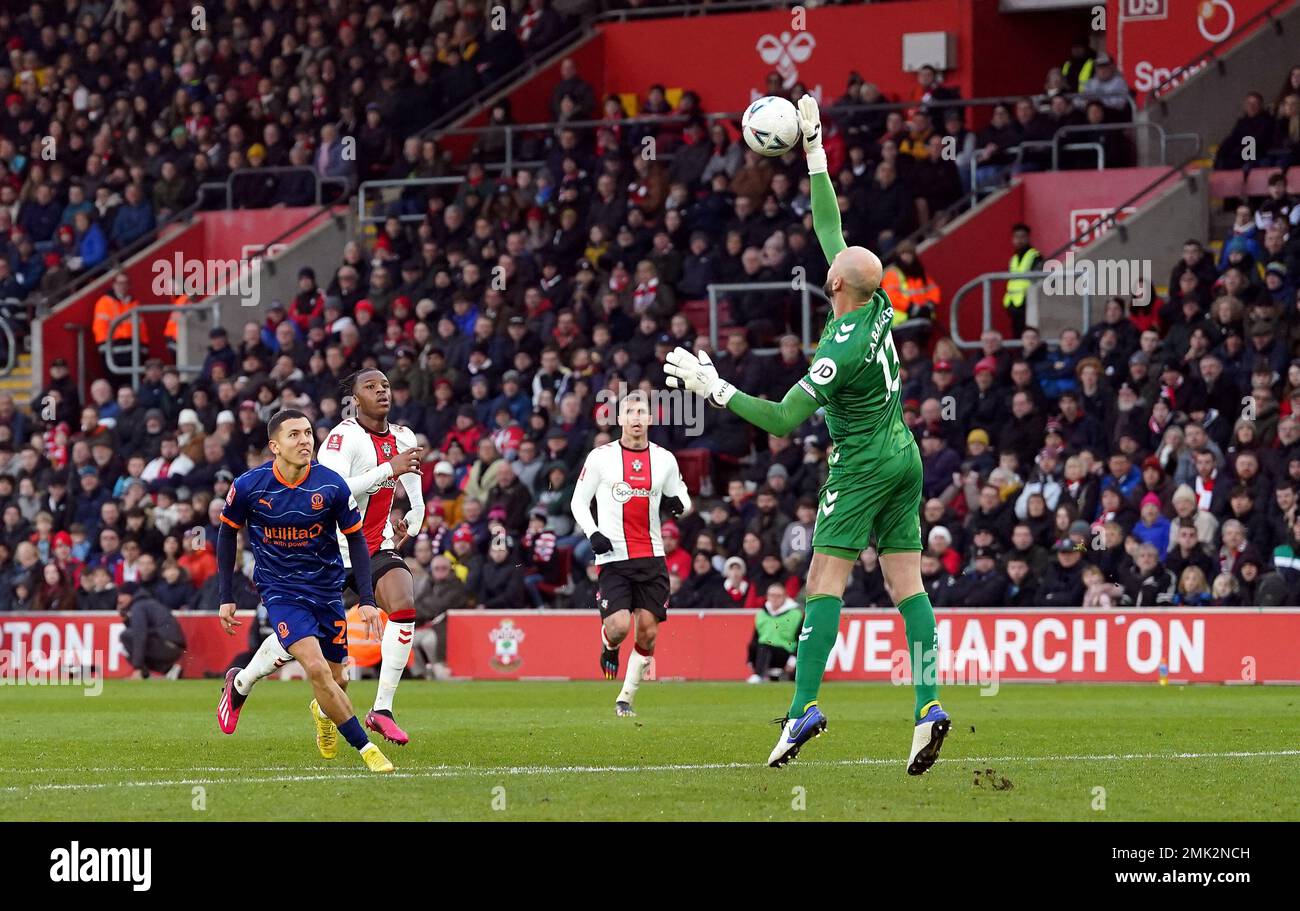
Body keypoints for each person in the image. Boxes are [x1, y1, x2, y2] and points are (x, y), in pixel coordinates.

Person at [664, 95, 948, 776]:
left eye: (835, 260)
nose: (831, 254)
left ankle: (804, 706)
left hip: (862, 464)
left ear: (834, 284)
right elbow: (833, 229)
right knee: (907, 582)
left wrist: (717, 389)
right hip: (904, 453)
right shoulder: (876, 300)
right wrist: (815, 149)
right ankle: (929, 706)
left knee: (825, 577)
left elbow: (786, 420)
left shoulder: (840, 348)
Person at [214, 409, 394, 774]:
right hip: (279, 589)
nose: (305, 441)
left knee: (336, 678)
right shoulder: (249, 486)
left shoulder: (331, 485)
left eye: (308, 433)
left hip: (325, 589)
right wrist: (225, 594)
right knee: (315, 668)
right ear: (274, 446)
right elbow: (226, 533)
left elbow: (357, 540)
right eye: (294, 435)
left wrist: (368, 600)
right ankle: (367, 750)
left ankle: (248, 685)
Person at [311, 369, 426, 744]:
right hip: (329, 549)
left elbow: (417, 500)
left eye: (386, 386)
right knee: (299, 650)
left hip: (374, 547)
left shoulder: (404, 437)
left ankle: (382, 709)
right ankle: (243, 681)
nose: (381, 391)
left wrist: (410, 523)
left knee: (404, 604)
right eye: (371, 387)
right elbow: (333, 489)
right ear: (355, 399)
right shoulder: (343, 437)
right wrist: (386, 470)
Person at [570, 391, 690, 718]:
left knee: (648, 631)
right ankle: (609, 646)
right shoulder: (600, 457)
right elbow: (578, 502)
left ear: (650, 419)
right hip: (614, 559)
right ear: (619, 419)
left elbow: (682, 495)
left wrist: (680, 505)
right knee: (620, 627)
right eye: (629, 412)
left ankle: (626, 697)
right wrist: (593, 532)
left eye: (642, 412)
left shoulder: (664, 459)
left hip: (652, 558)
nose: (636, 418)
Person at [117, 581, 187, 678]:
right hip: (173, 646)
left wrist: (137, 668)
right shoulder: (146, 603)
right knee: (130, 640)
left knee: (126, 636)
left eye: (122, 595)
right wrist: (127, 621)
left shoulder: (138, 606)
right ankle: (170, 670)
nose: (119, 599)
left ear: (130, 595)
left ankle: (142, 673)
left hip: (168, 646)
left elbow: (139, 636)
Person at [749, 582, 802, 683]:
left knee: (765, 646)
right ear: (767, 596)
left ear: (785, 597)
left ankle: (761, 675)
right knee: (760, 646)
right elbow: (754, 639)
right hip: (764, 652)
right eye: (772, 595)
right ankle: (760, 674)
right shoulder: (761, 614)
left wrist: (793, 660)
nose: (775, 599)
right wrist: (750, 660)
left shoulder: (796, 615)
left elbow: (801, 640)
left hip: (786, 652)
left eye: (778, 596)